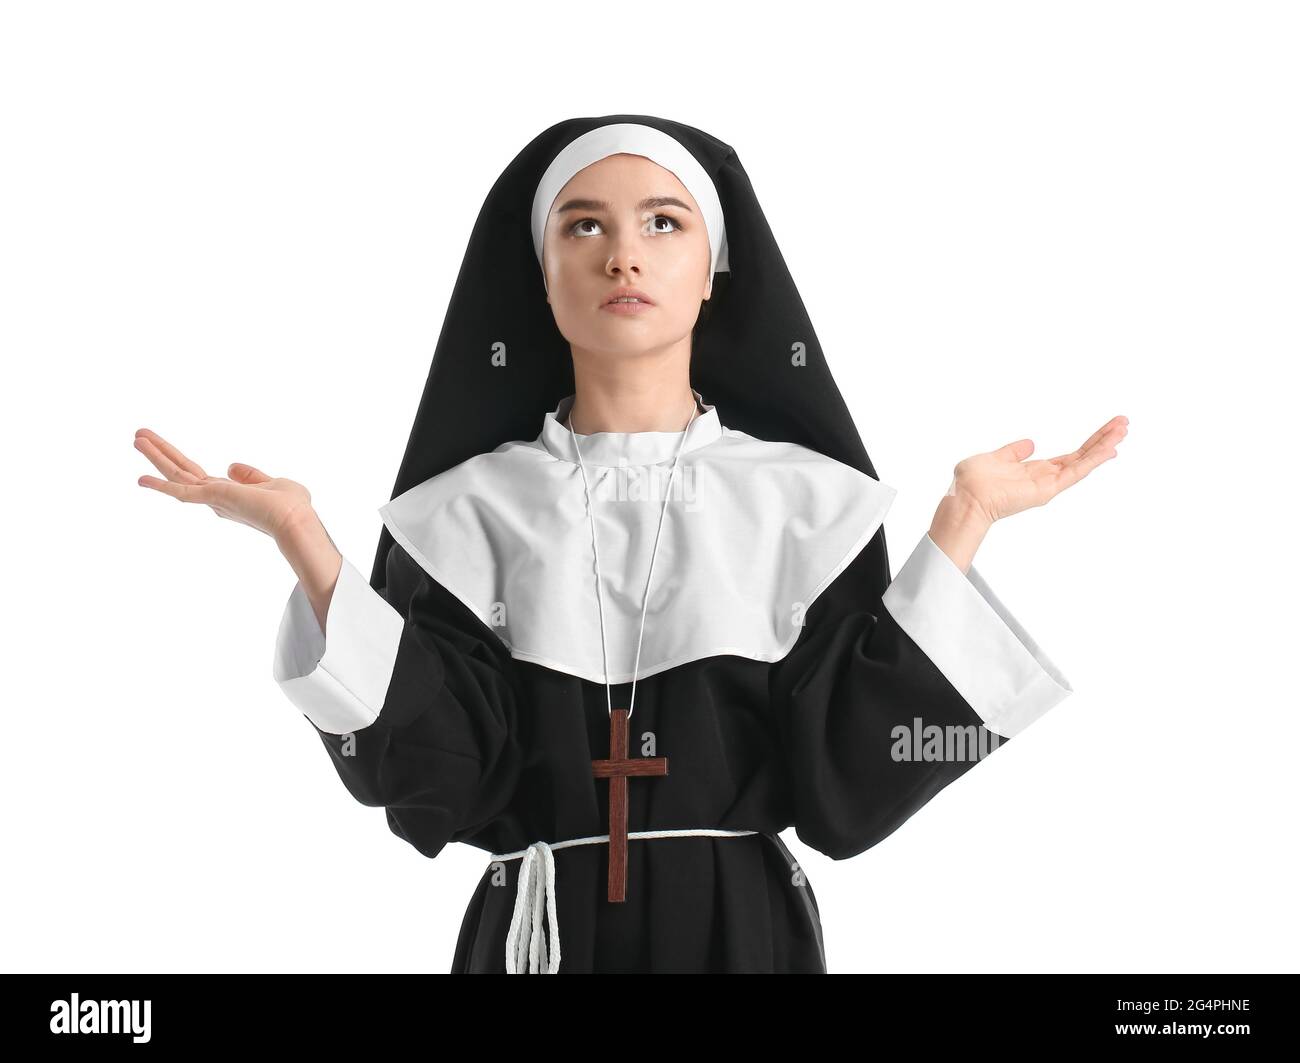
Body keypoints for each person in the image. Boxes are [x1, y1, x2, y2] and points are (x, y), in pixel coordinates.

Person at [135, 114, 1128, 973]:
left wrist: (963, 520)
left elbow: (847, 784)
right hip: (537, 933)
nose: (624, 254)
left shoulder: (806, 505)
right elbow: (432, 777)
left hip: (739, 935)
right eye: (584, 226)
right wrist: (304, 540)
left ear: (713, 272)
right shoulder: (461, 514)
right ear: (543, 274)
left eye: (663, 222)